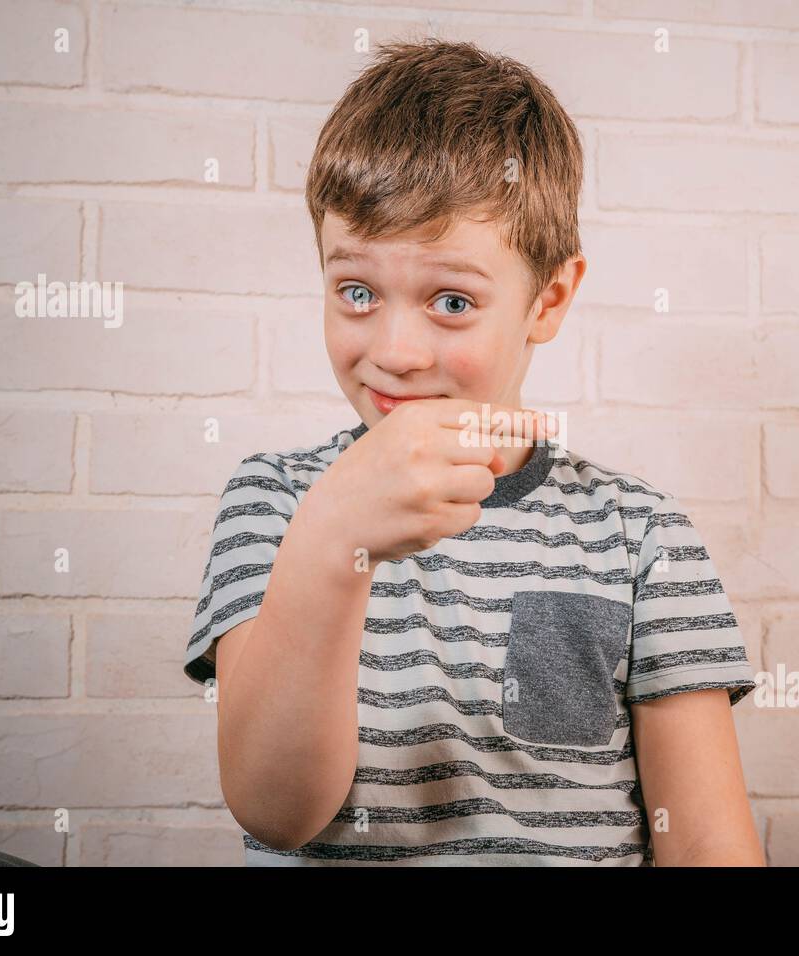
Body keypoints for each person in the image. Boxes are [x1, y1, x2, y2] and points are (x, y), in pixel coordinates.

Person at [183, 37, 762, 866]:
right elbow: (276, 810)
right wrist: (331, 538)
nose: (396, 349)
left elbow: (708, 845)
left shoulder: (641, 535)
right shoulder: (274, 503)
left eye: (451, 300)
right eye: (356, 291)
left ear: (548, 300)